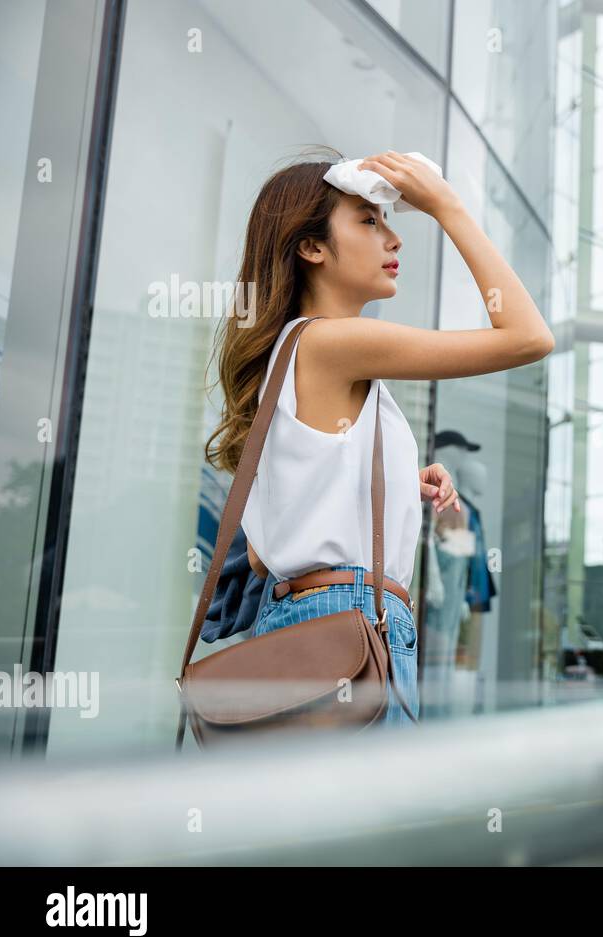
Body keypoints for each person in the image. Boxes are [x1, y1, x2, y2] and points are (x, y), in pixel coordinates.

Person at [203, 148, 554, 728]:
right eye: (369, 221)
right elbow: (528, 336)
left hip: (316, 622)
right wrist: (447, 207)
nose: (393, 239)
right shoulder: (335, 343)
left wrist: (395, 483)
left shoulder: (299, 350)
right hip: (347, 623)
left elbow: (271, 548)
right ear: (311, 248)